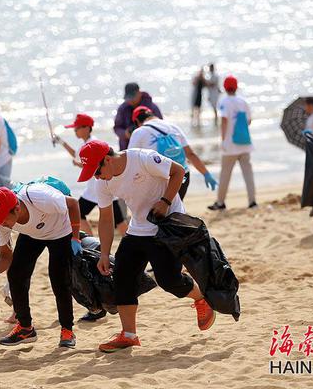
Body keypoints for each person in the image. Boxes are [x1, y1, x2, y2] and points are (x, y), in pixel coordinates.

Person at [76, 140, 215, 352]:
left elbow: (179, 172)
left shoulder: (142, 158)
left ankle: (200, 298)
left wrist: (166, 201)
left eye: (96, 171)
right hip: (138, 227)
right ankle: (129, 335)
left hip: (167, 225)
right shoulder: (103, 182)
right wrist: (104, 254)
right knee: (121, 275)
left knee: (169, 280)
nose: (96, 177)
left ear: (106, 159)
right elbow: (106, 218)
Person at [0, 185, 82, 348]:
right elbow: (6, 256)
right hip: (32, 235)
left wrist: (75, 238)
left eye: (4, 219)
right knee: (15, 274)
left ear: (17, 209)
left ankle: (67, 330)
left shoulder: (39, 197)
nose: (2, 224)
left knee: (59, 280)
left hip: (60, 231)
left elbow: (73, 204)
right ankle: (25, 328)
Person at [55, 113, 128, 239]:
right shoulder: (87, 143)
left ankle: (129, 242)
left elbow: (95, 165)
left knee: (118, 221)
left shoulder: (93, 143)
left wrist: (78, 164)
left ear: (87, 128)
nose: (75, 131)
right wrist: (61, 142)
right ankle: (93, 241)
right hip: (94, 188)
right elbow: (78, 156)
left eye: (77, 128)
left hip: (101, 185)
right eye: (74, 128)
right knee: (80, 213)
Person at [129, 105, 217, 199]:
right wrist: (206, 174)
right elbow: (190, 154)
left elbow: (130, 160)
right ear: (152, 115)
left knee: (160, 211)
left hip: (161, 180)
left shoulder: (139, 132)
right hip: (183, 177)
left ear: (137, 121)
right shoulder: (174, 127)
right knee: (176, 210)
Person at [208, 75, 257, 211]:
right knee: (248, 174)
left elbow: (224, 120)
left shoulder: (224, 101)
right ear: (236, 87)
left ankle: (220, 202)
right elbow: (249, 121)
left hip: (230, 146)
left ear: (224, 87)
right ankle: (252, 202)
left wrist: (223, 140)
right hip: (245, 144)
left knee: (225, 174)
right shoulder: (243, 101)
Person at [114, 83, 163, 150]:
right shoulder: (122, 108)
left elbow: (160, 126)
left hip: (149, 147)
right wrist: (125, 134)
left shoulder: (152, 107)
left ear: (139, 93)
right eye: (129, 98)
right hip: (127, 147)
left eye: (133, 97)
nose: (131, 101)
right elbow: (117, 128)